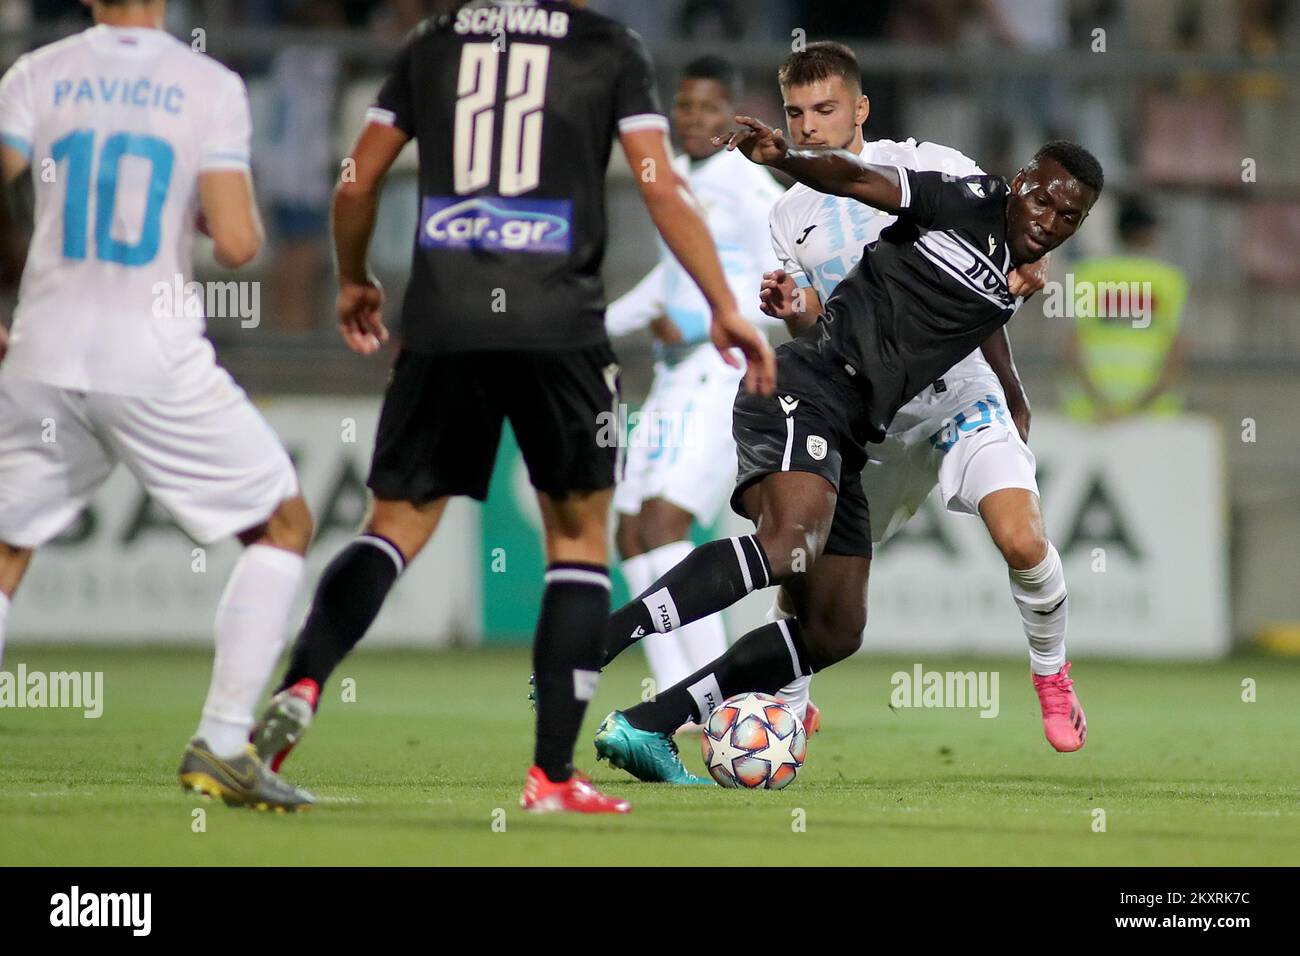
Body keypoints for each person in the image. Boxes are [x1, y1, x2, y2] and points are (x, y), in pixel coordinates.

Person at [250, 0, 774, 815]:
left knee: (391, 527)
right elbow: (662, 187)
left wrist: (354, 276)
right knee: (577, 539)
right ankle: (552, 777)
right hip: (558, 325)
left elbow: (357, 179)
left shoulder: (433, 42)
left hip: (442, 321)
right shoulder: (606, 45)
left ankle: (305, 684)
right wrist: (724, 305)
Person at [592, 115, 1102, 784]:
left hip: (856, 433)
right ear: (1022, 181)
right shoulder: (958, 197)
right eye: (1043, 200)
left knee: (833, 630)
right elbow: (862, 179)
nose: (1050, 221)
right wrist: (787, 156)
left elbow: (969, 314)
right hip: (808, 387)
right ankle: (596, 641)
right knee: (787, 547)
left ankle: (649, 723)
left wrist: (1012, 388)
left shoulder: (1018, 269)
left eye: (1069, 217)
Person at [0, 0, 314, 811]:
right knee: (281, 522)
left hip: (41, 346)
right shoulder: (206, 83)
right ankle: (219, 743)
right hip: (150, 355)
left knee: (4, 549)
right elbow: (241, 244)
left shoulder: (38, 71)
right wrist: (208, 211)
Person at [754, 42, 1081, 755]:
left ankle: (1052, 676)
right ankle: (790, 702)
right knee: (809, 565)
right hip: (868, 412)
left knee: (1022, 538)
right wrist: (792, 306)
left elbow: (1015, 217)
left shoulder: (928, 165)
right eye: (796, 113)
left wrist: (1041, 258)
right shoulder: (785, 216)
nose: (809, 126)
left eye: (826, 108)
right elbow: (822, 320)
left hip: (960, 391)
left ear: (861, 109)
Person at [605, 54, 784, 717]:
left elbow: (781, 289)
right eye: (685, 106)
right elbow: (671, 279)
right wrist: (595, 327)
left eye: (710, 107)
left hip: (722, 373)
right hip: (672, 375)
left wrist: (700, 318)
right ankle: (677, 702)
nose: (695, 118)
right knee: (631, 533)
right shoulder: (677, 177)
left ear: (732, 113)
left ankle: (717, 701)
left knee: (665, 523)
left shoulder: (747, 184)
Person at [1063, 196, 1188, 422]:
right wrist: (1137, 407)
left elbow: (1072, 344)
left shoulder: (1089, 274)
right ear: (1147, 232)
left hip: (1093, 413)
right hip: (1151, 414)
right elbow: (1176, 350)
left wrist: (1102, 403)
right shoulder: (1169, 279)